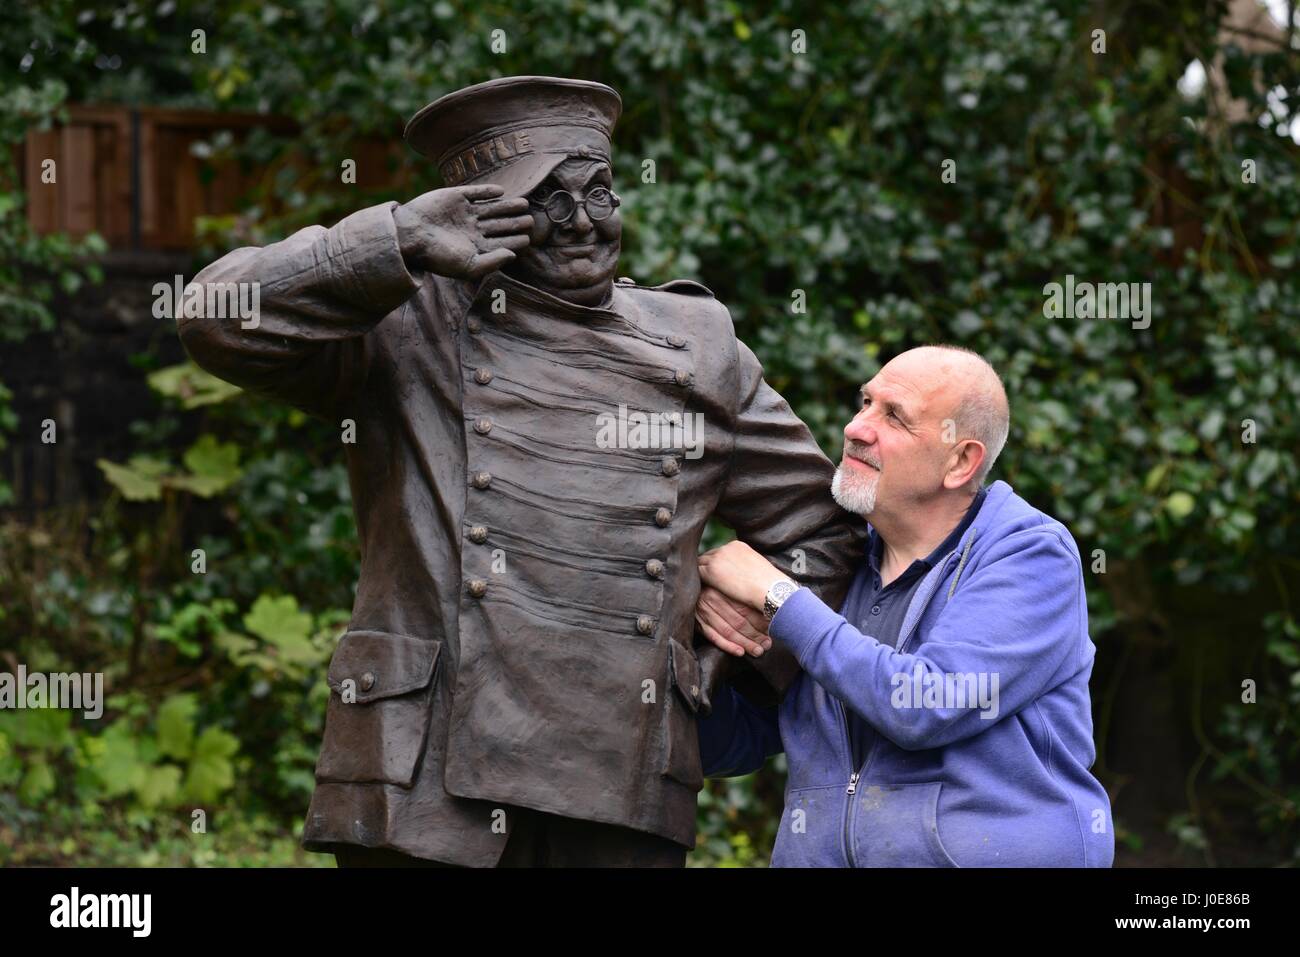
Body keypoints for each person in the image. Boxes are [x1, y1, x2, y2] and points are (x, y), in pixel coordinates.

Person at [178, 76, 865, 867]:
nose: (582, 222)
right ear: (479, 213)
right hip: (423, 780)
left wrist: (735, 642)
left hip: (624, 772)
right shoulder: (406, 322)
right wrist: (395, 238)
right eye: (547, 199)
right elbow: (213, 320)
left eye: (600, 194)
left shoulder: (699, 345)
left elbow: (822, 531)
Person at [695, 345, 1114, 867]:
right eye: (865, 402)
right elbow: (734, 745)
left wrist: (780, 598)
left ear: (961, 461)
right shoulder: (836, 560)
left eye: (894, 416)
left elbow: (925, 703)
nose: (856, 427)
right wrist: (699, 631)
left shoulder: (1029, 555)